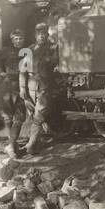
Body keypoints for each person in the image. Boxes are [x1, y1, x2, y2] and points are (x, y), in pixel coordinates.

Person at [0, 27, 30, 159]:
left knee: (20, 117)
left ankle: (11, 145)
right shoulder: (5, 51)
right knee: (8, 117)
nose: (18, 41)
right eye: (16, 39)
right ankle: (12, 145)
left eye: (20, 39)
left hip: (22, 86)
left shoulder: (27, 51)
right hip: (7, 87)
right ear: (12, 40)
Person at [21, 22, 60, 154]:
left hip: (45, 87)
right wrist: (22, 89)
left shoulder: (53, 48)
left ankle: (31, 145)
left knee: (38, 116)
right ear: (35, 35)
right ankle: (39, 138)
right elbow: (22, 71)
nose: (42, 36)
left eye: (44, 34)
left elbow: (56, 63)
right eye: (39, 34)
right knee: (34, 116)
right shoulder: (29, 50)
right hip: (31, 87)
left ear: (47, 34)